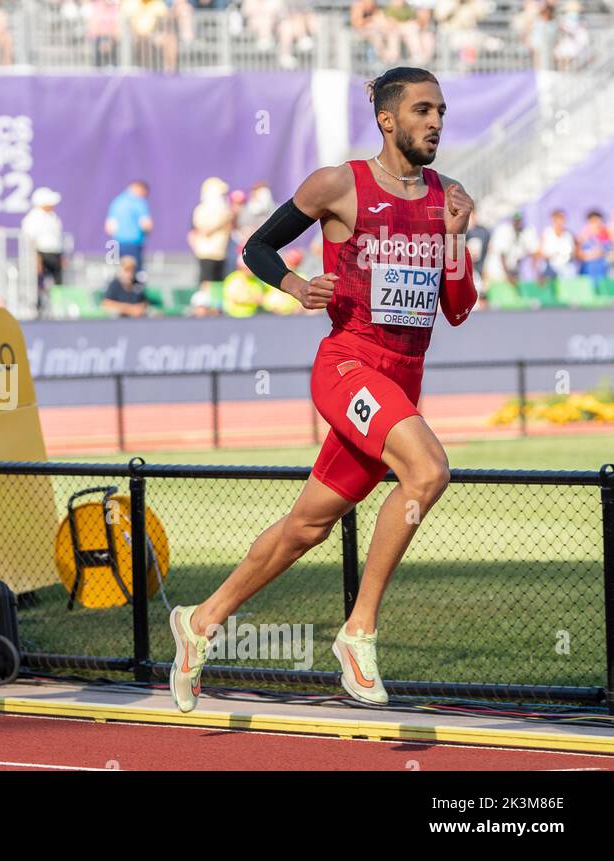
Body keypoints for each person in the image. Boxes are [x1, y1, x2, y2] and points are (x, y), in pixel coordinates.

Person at [169, 67, 478, 712]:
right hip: (347, 367)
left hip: (403, 378)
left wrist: (455, 240)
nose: (436, 123)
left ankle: (200, 621)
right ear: (388, 119)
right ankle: (358, 632)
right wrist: (291, 286)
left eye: (442, 111)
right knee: (427, 471)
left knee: (306, 527)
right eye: (423, 110)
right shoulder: (339, 185)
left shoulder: (447, 195)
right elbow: (257, 246)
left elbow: (457, 307)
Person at [21, 186, 65, 314]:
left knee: (58, 284)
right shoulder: (33, 218)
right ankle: (39, 309)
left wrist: (61, 256)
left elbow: (57, 238)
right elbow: (30, 241)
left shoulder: (53, 216)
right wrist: (37, 260)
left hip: (54, 254)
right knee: (39, 285)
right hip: (42, 255)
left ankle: (57, 309)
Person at [190, 176, 235, 291]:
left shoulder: (225, 210)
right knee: (207, 283)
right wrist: (223, 219)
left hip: (222, 253)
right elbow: (205, 230)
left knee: (218, 284)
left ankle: (216, 307)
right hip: (207, 253)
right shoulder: (201, 210)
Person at [105, 180, 153, 267]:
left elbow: (109, 227)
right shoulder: (139, 202)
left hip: (116, 244)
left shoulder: (117, 201)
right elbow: (146, 225)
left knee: (120, 273)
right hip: (133, 245)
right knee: (136, 275)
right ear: (140, 189)